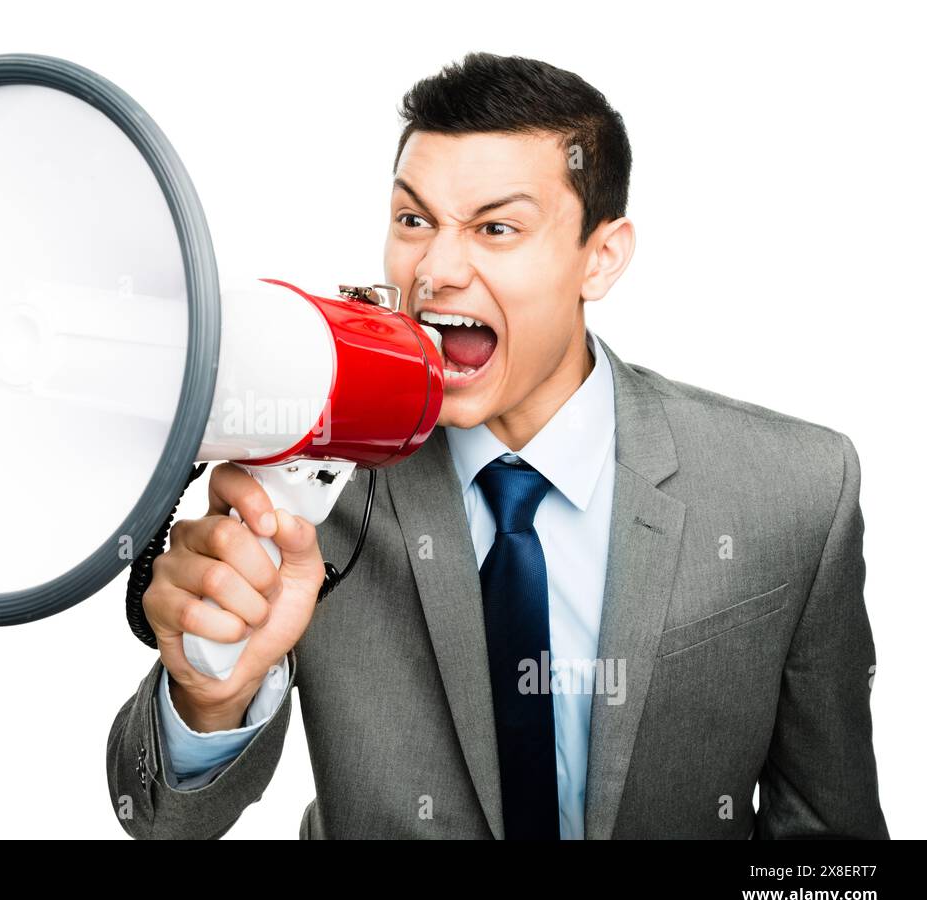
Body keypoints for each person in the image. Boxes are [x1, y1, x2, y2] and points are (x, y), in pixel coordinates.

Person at [105, 52, 889, 840]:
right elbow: (162, 818)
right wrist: (211, 692)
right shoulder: (317, 472)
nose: (436, 270)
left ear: (601, 256)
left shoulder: (794, 489)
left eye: (496, 227)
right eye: (414, 221)